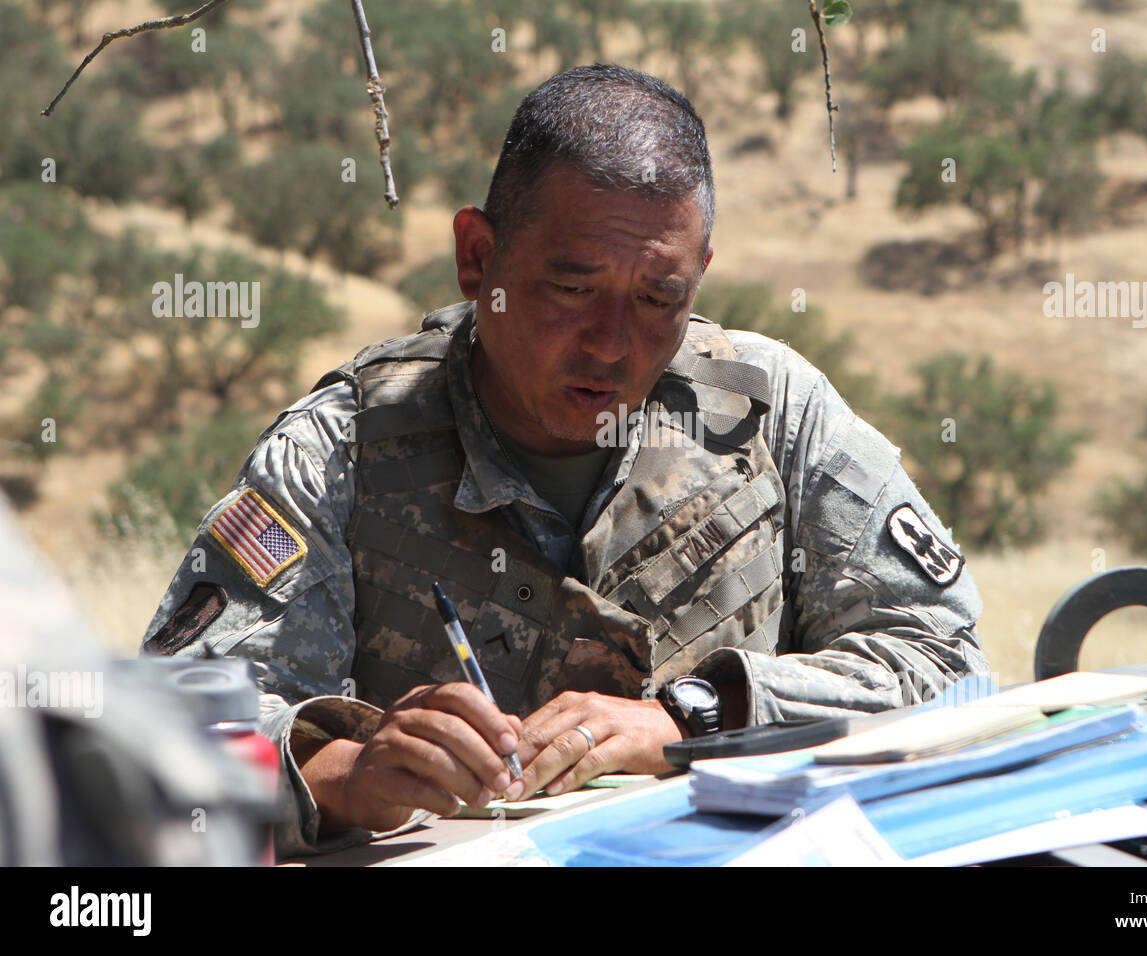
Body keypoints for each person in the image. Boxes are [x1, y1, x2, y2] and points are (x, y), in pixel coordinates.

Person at [142, 64, 989, 858]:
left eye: (661, 299)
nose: (613, 344)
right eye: (573, 288)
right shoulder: (341, 452)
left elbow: (949, 666)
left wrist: (696, 718)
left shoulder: (768, 412)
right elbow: (167, 743)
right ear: (480, 259)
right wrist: (339, 776)